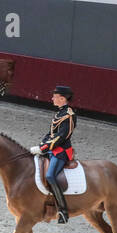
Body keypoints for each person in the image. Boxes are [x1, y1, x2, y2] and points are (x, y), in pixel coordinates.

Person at [30, 86, 77, 224]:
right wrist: (41, 145)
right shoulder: (60, 113)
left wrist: (43, 147)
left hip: (61, 151)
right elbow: (51, 134)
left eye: (54, 96)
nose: (52, 98)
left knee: (50, 176)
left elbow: (61, 137)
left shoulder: (69, 115)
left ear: (62, 98)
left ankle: (63, 210)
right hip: (51, 148)